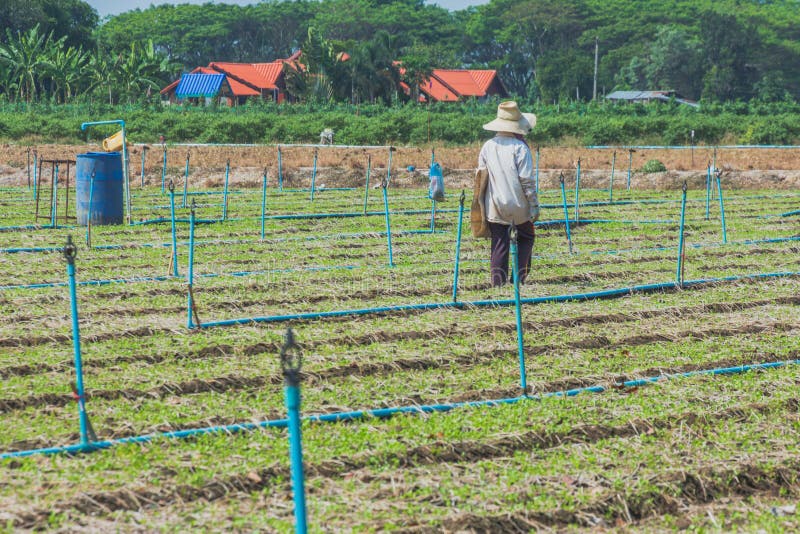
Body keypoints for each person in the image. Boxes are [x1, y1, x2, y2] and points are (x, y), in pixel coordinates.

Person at [478, 101, 539, 287]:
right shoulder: (520, 148)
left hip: (495, 205)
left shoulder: (488, 146)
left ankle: (497, 285)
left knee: (499, 243)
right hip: (519, 205)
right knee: (527, 237)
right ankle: (517, 281)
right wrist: (534, 205)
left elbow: (480, 176)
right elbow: (526, 180)